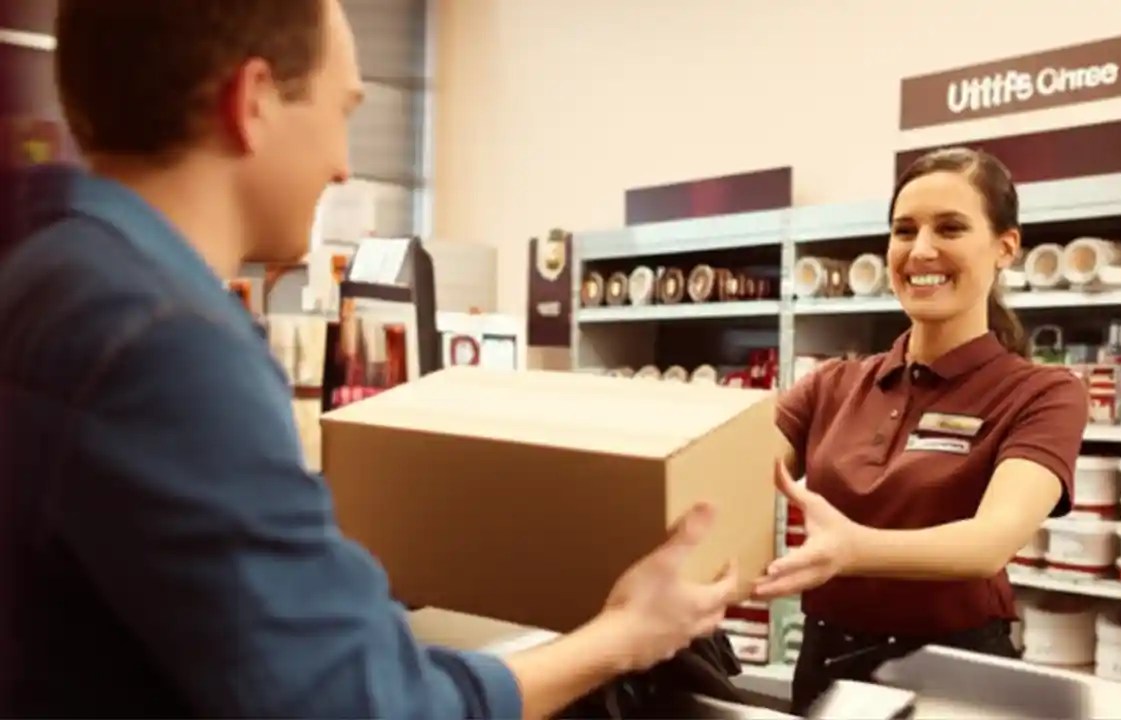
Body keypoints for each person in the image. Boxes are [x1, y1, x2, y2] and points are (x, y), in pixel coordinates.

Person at [0, 1, 740, 717]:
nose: (345, 167)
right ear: (253, 101)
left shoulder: (42, 274)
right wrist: (620, 638)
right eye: (344, 111)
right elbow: (368, 706)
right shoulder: (170, 345)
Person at [752, 147, 1089, 714]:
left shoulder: (1043, 393)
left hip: (954, 679)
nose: (922, 250)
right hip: (825, 664)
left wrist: (855, 549)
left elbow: (990, 541)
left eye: (950, 228)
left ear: (1006, 246)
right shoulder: (832, 384)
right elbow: (720, 474)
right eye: (904, 230)